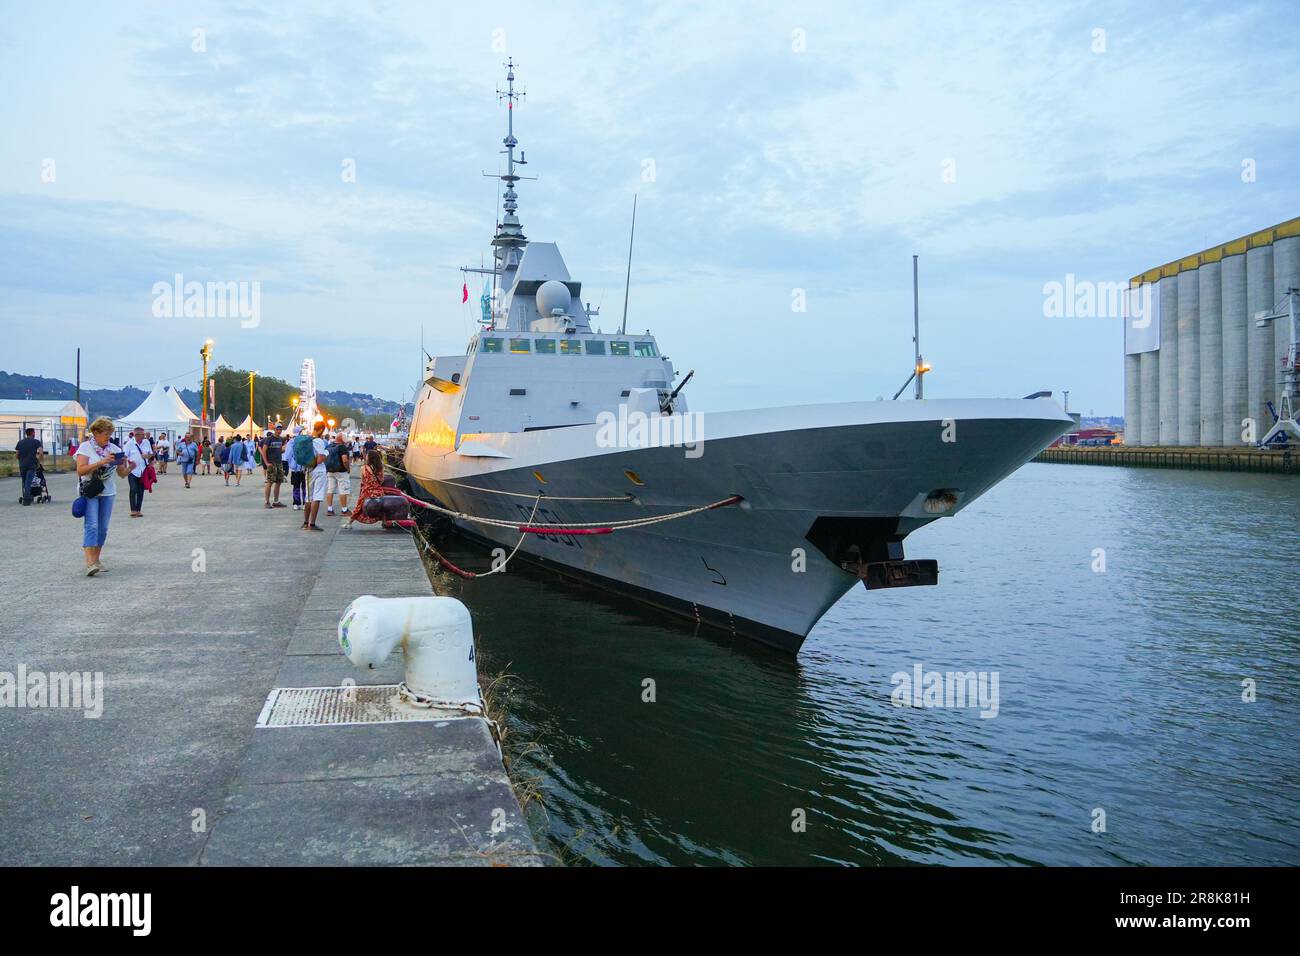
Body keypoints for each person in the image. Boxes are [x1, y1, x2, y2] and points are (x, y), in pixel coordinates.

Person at [75, 417, 131, 576]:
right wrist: (102, 461)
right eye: (106, 434)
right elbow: (80, 470)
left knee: (103, 528)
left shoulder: (114, 448)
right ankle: (89, 563)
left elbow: (121, 474)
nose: (108, 437)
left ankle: (96, 559)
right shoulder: (85, 448)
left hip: (108, 492)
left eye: (110, 434)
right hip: (91, 492)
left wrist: (129, 466)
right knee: (91, 525)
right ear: (95, 432)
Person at [343, 449, 389, 529]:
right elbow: (381, 480)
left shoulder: (364, 468)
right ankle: (384, 521)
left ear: (369, 458)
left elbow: (363, 481)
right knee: (382, 507)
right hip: (378, 491)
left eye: (367, 456)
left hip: (367, 491)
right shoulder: (380, 467)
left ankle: (349, 522)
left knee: (358, 507)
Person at [123, 426, 154, 517]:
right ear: (136, 435)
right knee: (133, 489)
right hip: (132, 471)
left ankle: (138, 510)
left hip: (143, 471)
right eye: (142, 434)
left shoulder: (146, 442)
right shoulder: (129, 443)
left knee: (140, 491)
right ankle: (133, 510)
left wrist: (147, 456)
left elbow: (151, 455)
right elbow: (125, 456)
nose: (144, 436)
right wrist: (125, 468)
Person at [302, 421, 328, 531]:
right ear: (321, 429)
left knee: (308, 497)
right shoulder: (319, 441)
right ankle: (312, 524)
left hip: (308, 470)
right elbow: (320, 460)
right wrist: (326, 453)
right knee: (316, 497)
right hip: (319, 471)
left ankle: (305, 522)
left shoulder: (307, 440)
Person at [15, 427, 45, 506]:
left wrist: (21, 459)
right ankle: (26, 499)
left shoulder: (20, 442)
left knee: (25, 482)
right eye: (34, 432)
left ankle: (28, 496)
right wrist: (39, 460)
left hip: (22, 465)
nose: (35, 434)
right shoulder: (36, 442)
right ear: (32, 433)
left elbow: (17, 454)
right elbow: (41, 453)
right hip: (32, 465)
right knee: (28, 482)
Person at [261, 422, 288, 509]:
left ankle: (276, 501)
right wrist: (266, 462)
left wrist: (284, 449)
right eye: (277, 429)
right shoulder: (269, 439)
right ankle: (267, 501)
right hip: (271, 463)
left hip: (279, 463)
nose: (279, 431)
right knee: (270, 482)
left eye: (280, 429)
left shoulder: (280, 439)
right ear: (274, 430)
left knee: (279, 482)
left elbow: (279, 451)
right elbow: (264, 450)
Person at [324, 432, 351, 517]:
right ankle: (344, 510)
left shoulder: (329, 446)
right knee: (343, 490)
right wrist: (348, 468)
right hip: (341, 471)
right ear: (341, 439)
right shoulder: (342, 447)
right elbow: (345, 460)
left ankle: (329, 509)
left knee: (330, 490)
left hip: (330, 471)